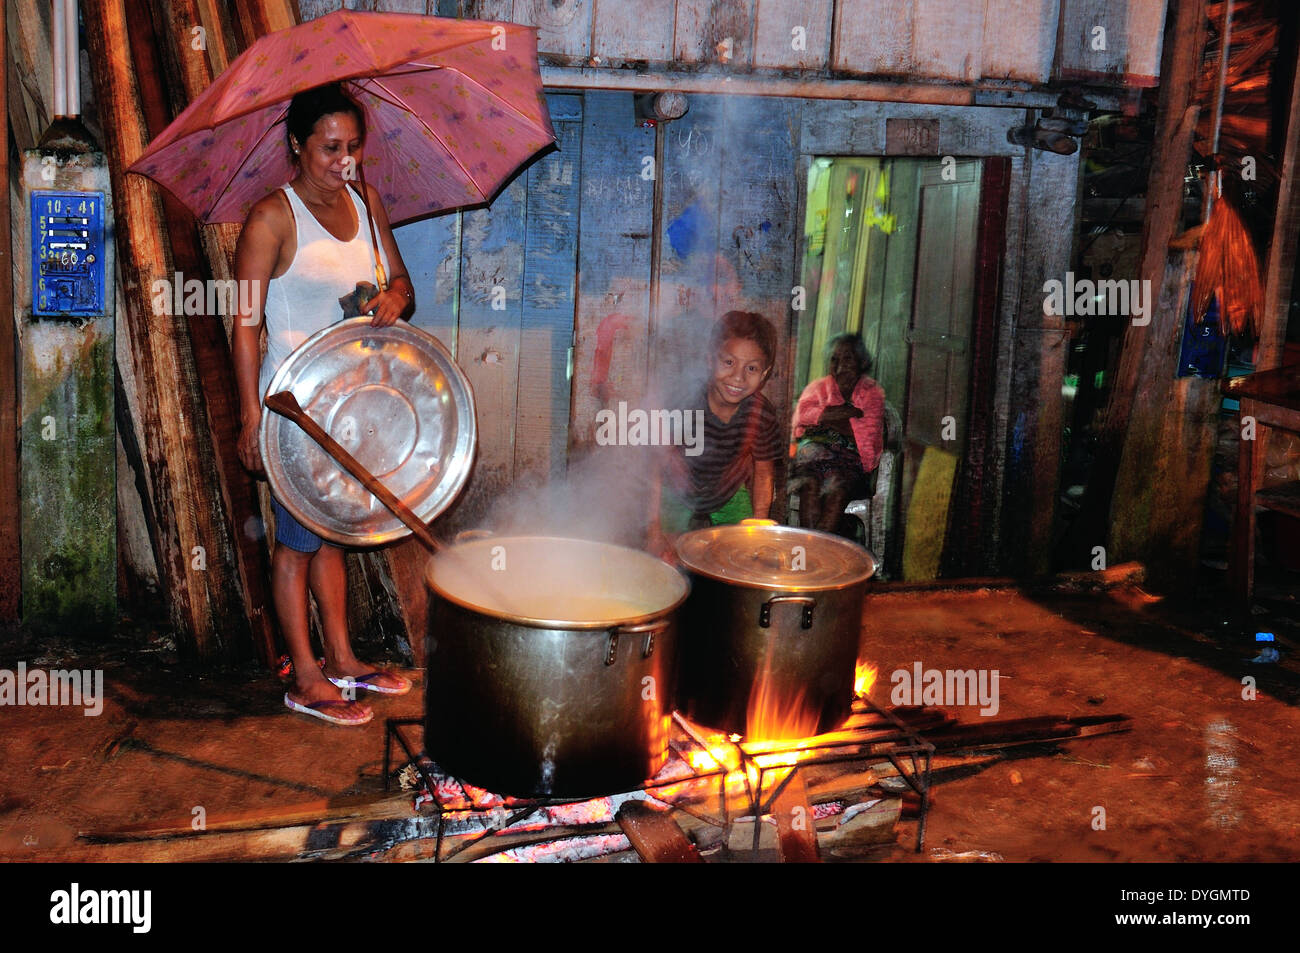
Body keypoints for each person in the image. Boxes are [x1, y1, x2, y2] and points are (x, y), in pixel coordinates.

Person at [233, 83, 416, 726]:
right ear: (296, 145)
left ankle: (342, 658)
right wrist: (251, 417)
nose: (344, 160)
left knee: (330, 533)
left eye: (354, 147)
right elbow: (246, 323)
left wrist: (393, 298)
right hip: (294, 409)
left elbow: (401, 283)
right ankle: (304, 677)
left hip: (352, 404)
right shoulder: (272, 218)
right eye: (329, 147)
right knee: (296, 542)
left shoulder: (367, 203)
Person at [648, 311, 784, 557]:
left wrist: (760, 523)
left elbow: (764, 472)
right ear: (710, 359)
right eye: (729, 362)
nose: (738, 377)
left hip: (728, 492)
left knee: (741, 555)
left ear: (764, 374)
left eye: (751, 368)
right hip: (677, 490)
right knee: (666, 560)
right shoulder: (684, 401)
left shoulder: (762, 414)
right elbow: (655, 467)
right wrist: (654, 529)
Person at [788, 333, 886, 536]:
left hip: (848, 466)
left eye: (848, 358)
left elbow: (865, 441)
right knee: (809, 485)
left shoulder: (872, 393)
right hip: (812, 461)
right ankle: (810, 555)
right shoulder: (818, 387)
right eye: (834, 359)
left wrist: (823, 419)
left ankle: (817, 554)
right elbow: (800, 418)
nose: (840, 365)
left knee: (837, 489)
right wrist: (850, 414)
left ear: (862, 362)